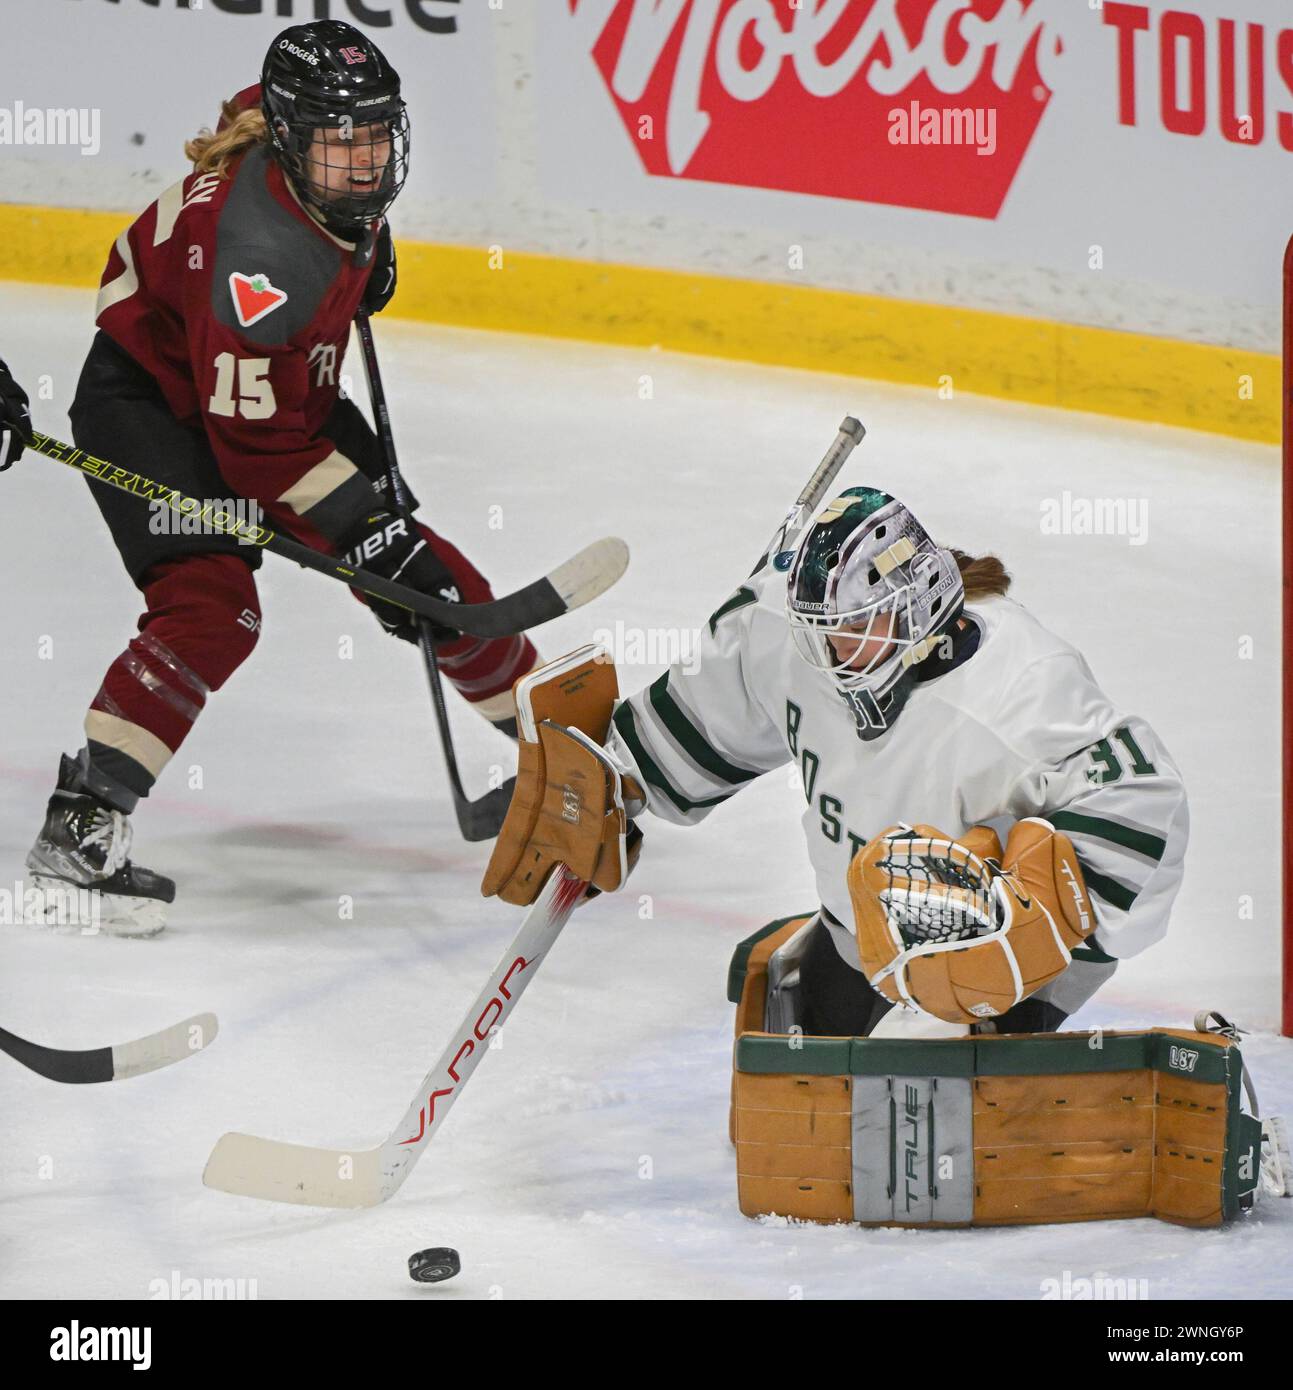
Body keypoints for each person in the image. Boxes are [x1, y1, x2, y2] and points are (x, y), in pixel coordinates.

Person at [11, 20, 538, 937]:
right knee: (216, 606)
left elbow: (251, 109)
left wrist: (379, 537)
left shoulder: (293, 143)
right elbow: (257, 456)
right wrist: (361, 530)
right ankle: (80, 830)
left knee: (415, 569)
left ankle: (561, 756)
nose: (364, 163)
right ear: (295, 143)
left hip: (272, 381)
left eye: (375, 135)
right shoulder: (259, 261)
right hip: (154, 408)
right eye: (341, 144)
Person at [482, 485, 1189, 1039]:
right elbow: (700, 727)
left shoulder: (1022, 695)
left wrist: (1033, 923)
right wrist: (612, 782)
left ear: (917, 610)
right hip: (865, 935)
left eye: (849, 630)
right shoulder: (788, 632)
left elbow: (1143, 802)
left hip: (1004, 966)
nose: (826, 653)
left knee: (906, 1135)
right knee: (806, 1073)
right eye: (819, 631)